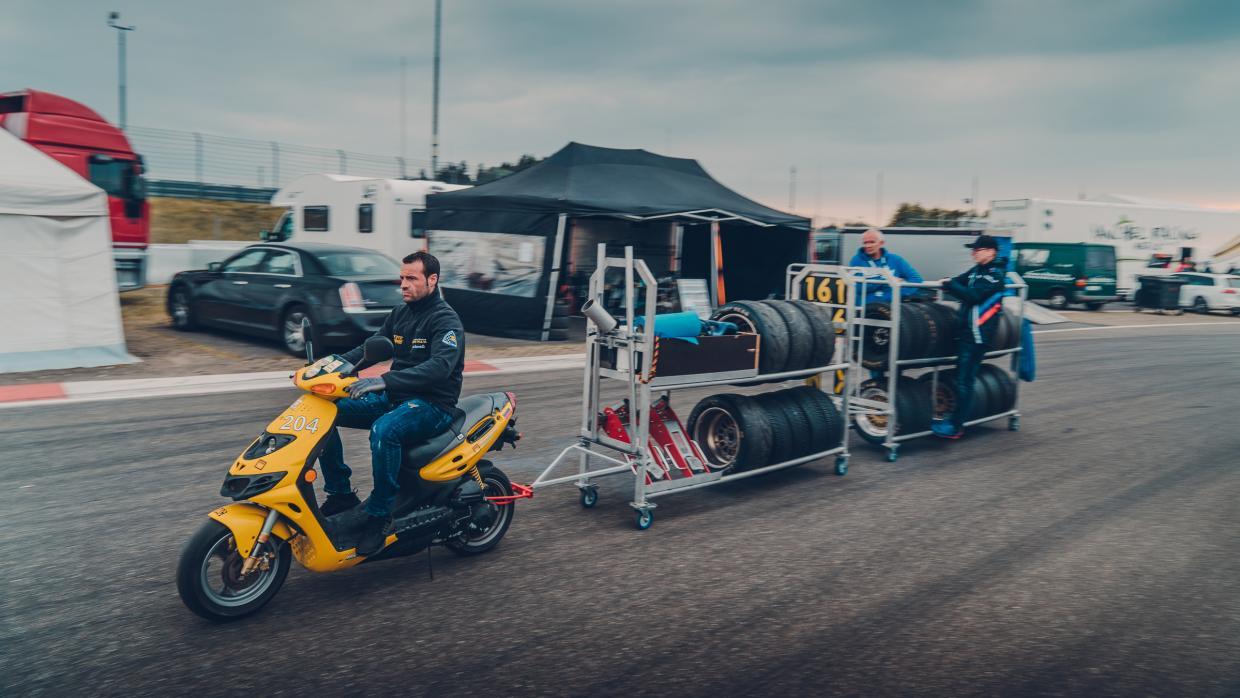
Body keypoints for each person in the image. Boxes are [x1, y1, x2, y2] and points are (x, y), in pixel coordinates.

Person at [316, 251, 465, 556]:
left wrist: (385, 380)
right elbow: (370, 347)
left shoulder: (445, 320)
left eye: (412, 278)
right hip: (396, 396)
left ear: (432, 280)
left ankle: (381, 514)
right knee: (322, 412)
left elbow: (440, 367)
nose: (403, 285)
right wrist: (332, 366)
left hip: (432, 404)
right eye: (402, 278)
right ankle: (341, 493)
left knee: (385, 431)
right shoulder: (400, 313)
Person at [932, 234, 1006, 440]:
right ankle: (957, 421)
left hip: (977, 336)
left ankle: (956, 426)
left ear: (991, 252)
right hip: (966, 333)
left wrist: (951, 285)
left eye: (978, 250)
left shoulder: (995, 274)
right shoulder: (977, 271)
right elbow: (957, 281)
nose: (973, 253)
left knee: (965, 381)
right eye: (972, 249)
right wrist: (949, 283)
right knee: (963, 379)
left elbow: (972, 296)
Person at [848, 229, 924, 304]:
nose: (868, 246)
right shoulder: (856, 260)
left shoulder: (895, 259)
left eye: (872, 242)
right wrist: (887, 279)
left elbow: (916, 279)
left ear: (881, 243)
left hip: (891, 308)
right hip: (866, 309)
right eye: (865, 243)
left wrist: (896, 294)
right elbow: (857, 287)